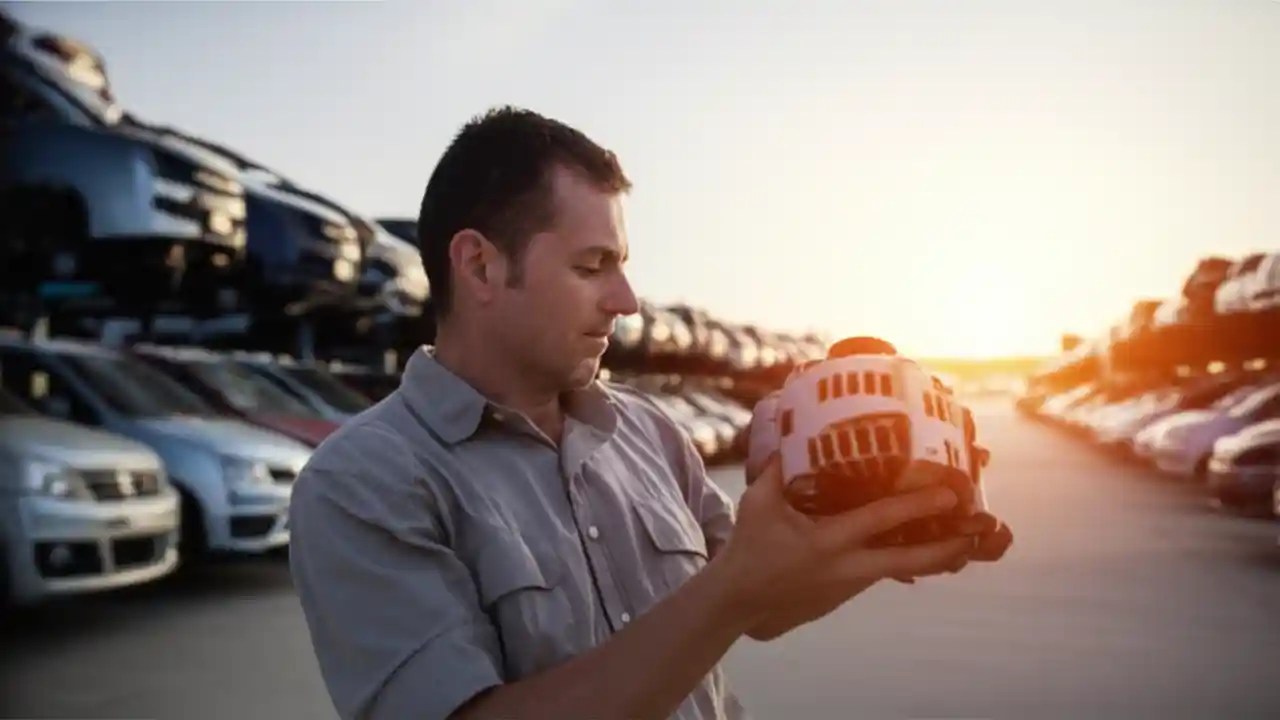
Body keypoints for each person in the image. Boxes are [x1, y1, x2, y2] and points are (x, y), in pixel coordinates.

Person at [288, 106, 1013, 720]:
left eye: (622, 264)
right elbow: (735, 594)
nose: (626, 300)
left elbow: (760, 606)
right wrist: (735, 587)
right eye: (590, 265)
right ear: (479, 266)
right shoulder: (362, 481)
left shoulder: (648, 431)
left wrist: (883, 534)